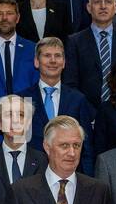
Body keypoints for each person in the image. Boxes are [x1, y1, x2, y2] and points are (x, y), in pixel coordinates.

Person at [29, 36, 96, 175]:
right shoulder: (22, 100)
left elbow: (87, 148)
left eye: (58, 56)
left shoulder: (78, 100)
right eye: (47, 55)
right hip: (32, 176)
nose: (53, 61)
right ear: (36, 62)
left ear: (64, 62)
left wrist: (88, 182)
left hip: (69, 175)